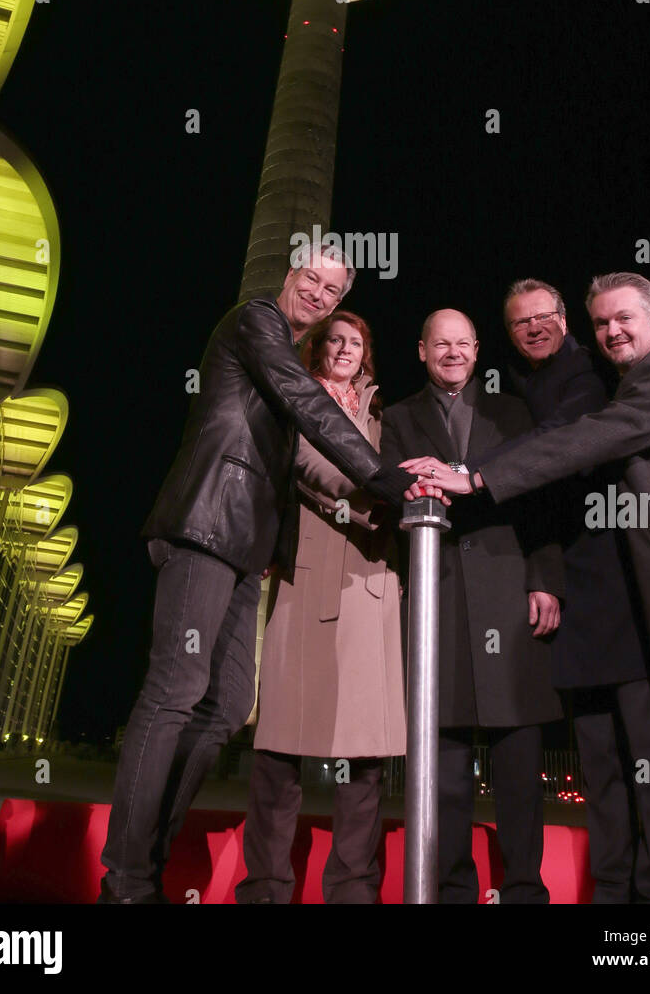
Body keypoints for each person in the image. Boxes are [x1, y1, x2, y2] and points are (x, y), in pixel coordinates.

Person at [404, 272, 650, 886]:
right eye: (603, 321)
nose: (613, 331)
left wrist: (473, 477)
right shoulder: (614, 380)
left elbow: (580, 439)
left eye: (624, 318)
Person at [98, 244, 421, 904]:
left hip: (246, 549)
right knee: (175, 691)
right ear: (290, 274)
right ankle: (125, 882)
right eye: (312, 279)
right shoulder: (257, 320)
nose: (319, 294)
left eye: (333, 290)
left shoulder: (291, 355)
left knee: (224, 707)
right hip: (206, 524)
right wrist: (383, 478)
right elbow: (305, 404)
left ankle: (149, 864)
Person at [504, 278, 650, 904]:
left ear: (564, 320)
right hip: (573, 598)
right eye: (520, 322)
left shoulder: (587, 374)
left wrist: (474, 474)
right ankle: (611, 893)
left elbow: (562, 440)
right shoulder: (518, 390)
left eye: (544, 316)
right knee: (599, 761)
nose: (534, 328)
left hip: (625, 593)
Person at [381, 308, 564, 904]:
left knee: (519, 762)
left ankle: (525, 890)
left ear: (478, 349)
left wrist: (545, 578)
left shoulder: (513, 411)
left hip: (509, 596)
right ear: (422, 350)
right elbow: (390, 494)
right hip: (433, 600)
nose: (453, 353)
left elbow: (542, 499)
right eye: (441, 344)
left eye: (463, 343)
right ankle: (452, 890)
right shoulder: (396, 418)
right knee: (444, 764)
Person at [235, 311, 405, 904]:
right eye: (334, 338)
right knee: (279, 745)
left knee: (365, 751)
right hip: (303, 575)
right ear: (316, 349)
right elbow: (303, 464)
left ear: (366, 356)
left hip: (369, 581)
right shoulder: (295, 401)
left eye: (355, 342)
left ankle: (353, 888)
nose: (344, 348)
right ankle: (265, 886)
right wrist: (376, 500)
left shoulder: (385, 414)